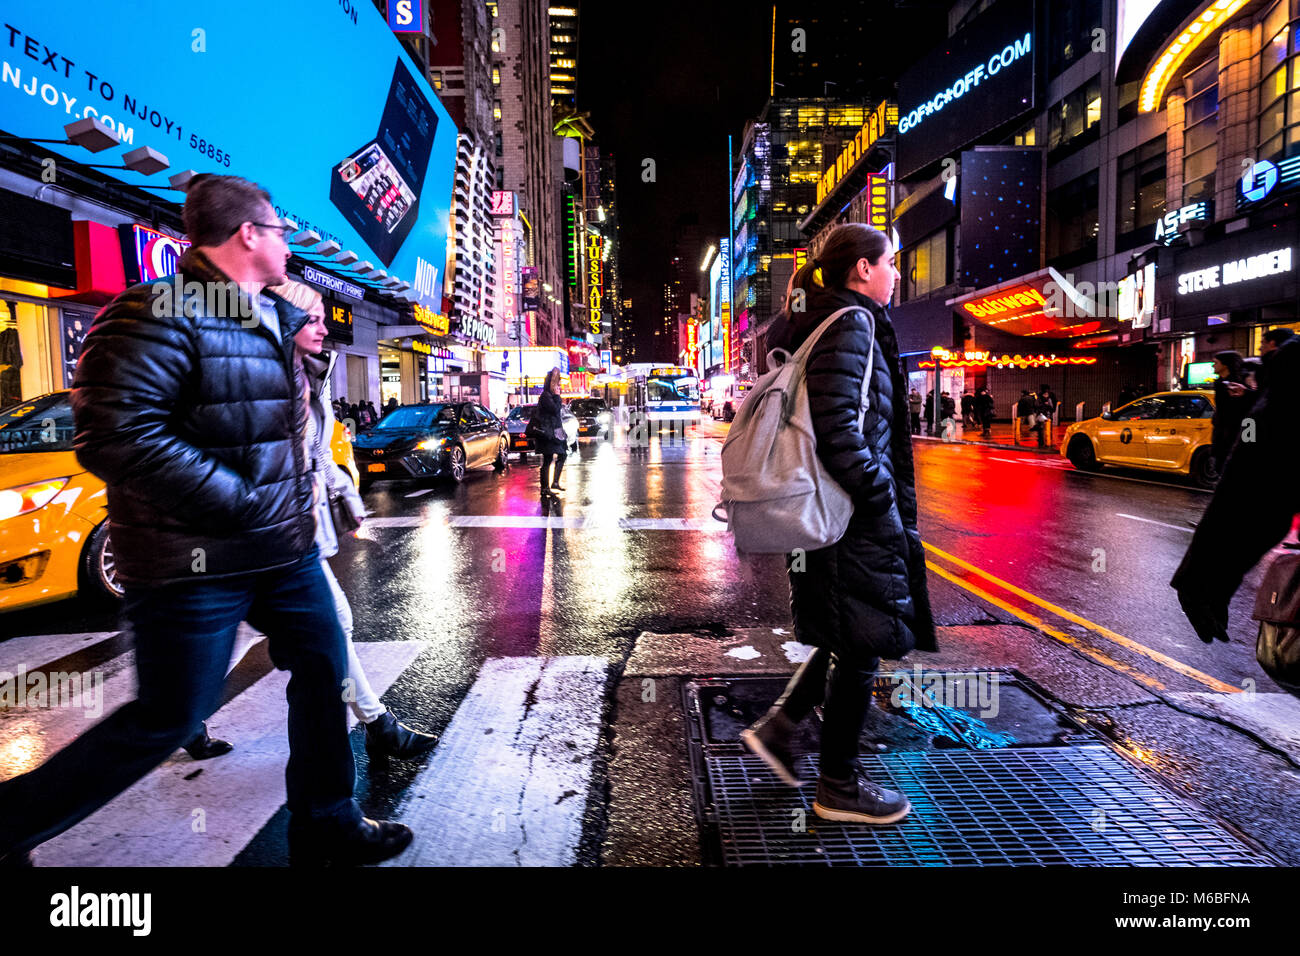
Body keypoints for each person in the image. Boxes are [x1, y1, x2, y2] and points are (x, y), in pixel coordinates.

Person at [0, 174, 411, 867]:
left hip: (282, 554)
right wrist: (241, 501)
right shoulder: (150, 312)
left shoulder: (270, 318)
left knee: (325, 667)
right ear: (248, 234)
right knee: (167, 717)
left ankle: (327, 820)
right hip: (191, 564)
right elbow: (115, 435)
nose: (290, 245)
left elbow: (282, 427)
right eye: (280, 230)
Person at [741, 223, 935, 825]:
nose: (897, 274)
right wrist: (880, 500)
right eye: (891, 263)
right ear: (861, 270)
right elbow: (839, 432)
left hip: (837, 514)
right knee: (863, 647)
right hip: (852, 517)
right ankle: (838, 787)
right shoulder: (852, 324)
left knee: (845, 633)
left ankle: (780, 730)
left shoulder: (833, 318)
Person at [275, 280, 438, 761]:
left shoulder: (308, 375)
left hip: (294, 528)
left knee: (311, 633)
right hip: (270, 531)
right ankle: (376, 724)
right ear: (287, 323)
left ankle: (185, 716)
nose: (326, 327)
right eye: (314, 319)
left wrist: (345, 491)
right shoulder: (272, 377)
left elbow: (317, 451)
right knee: (327, 629)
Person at [1172, 331, 1300, 642]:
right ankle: (1199, 591)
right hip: (1266, 446)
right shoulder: (1283, 365)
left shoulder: (1258, 379)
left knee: (1263, 525)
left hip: (1269, 447)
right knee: (1237, 519)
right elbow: (1239, 422)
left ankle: (1211, 593)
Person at [1209, 350, 1250, 474]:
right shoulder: (1220, 384)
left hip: (1234, 437)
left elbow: (1248, 416)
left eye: (1215, 362)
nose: (1213, 365)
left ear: (1225, 365)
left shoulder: (1238, 386)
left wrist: (1249, 441)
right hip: (1223, 436)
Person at [533, 368, 568, 497]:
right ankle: (545, 488)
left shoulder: (549, 396)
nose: (558, 387)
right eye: (556, 384)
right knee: (547, 460)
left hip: (555, 432)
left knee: (562, 454)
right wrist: (557, 396)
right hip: (547, 433)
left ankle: (554, 483)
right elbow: (554, 410)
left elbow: (556, 415)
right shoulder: (545, 396)